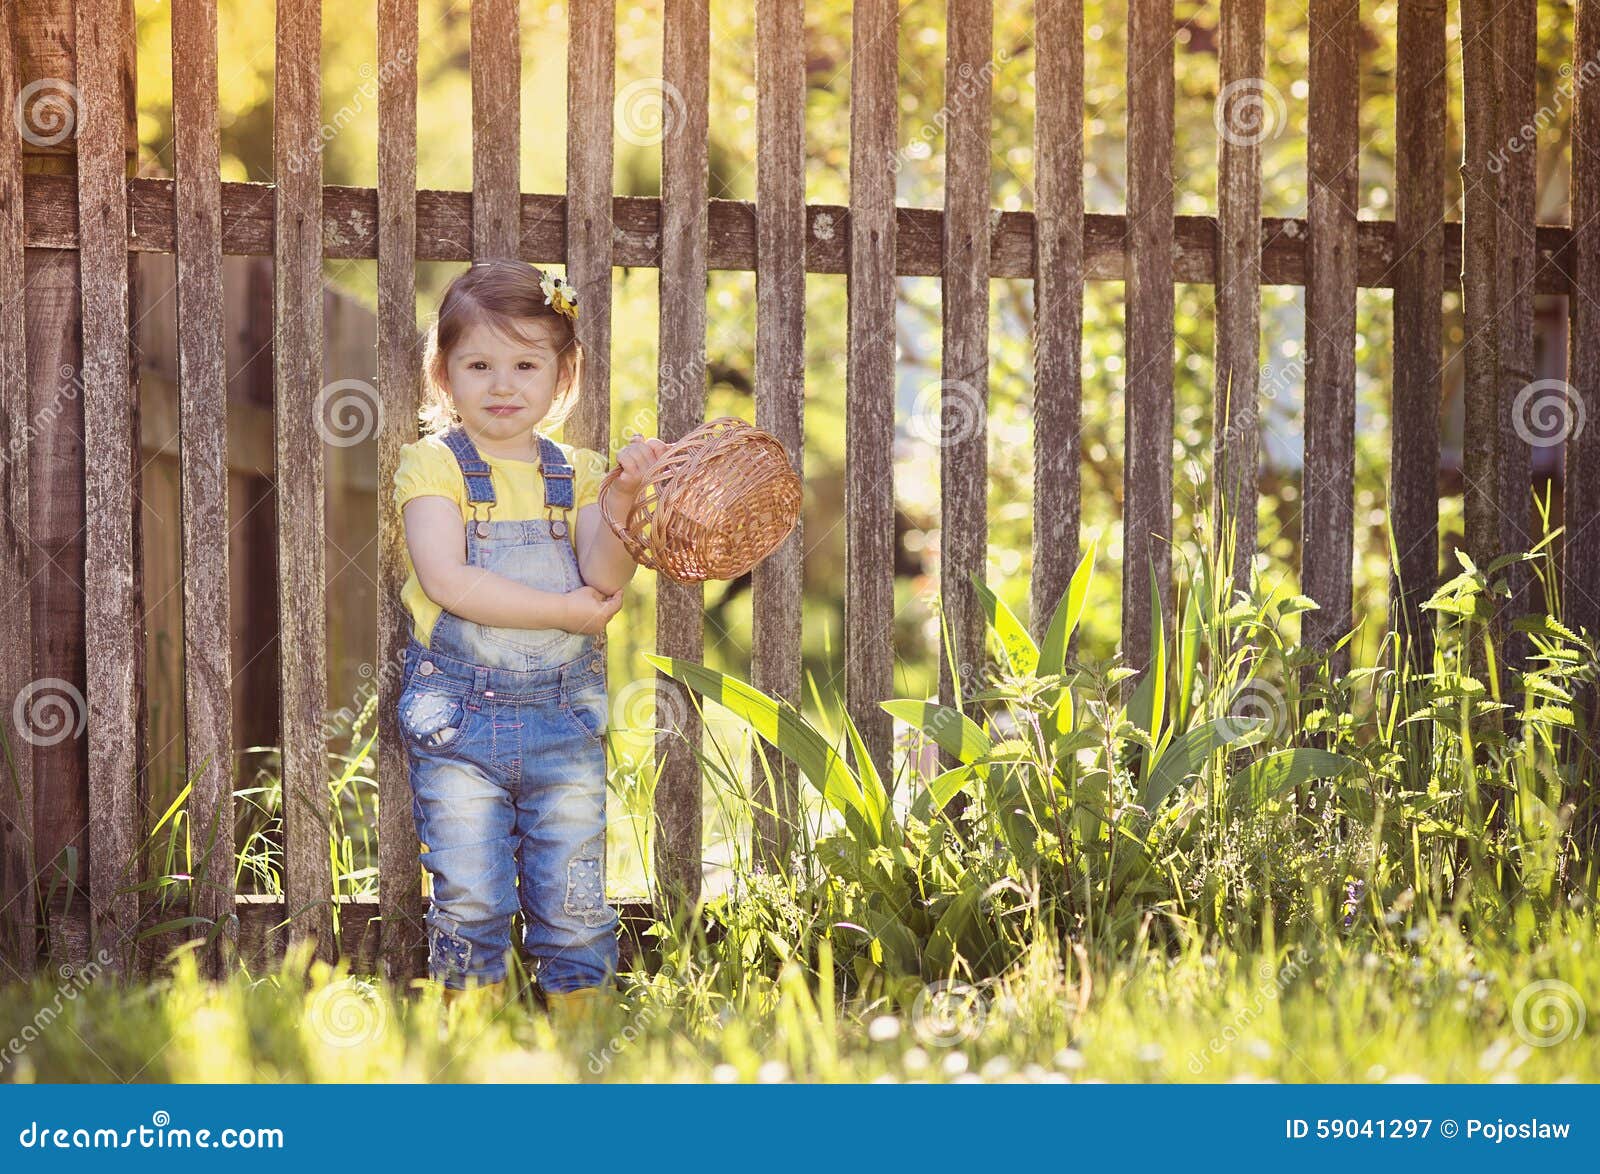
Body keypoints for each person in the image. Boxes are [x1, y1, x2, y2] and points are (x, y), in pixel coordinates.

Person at [392, 257, 666, 1026]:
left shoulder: (577, 472)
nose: (503, 384)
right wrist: (566, 612)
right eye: (479, 364)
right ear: (444, 376)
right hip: (459, 723)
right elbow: (448, 580)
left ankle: (581, 1024)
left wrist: (625, 498)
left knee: (575, 887)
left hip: (563, 722)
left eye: (525, 363)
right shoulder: (432, 465)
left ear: (562, 374)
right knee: (471, 887)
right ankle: (469, 1027)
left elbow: (604, 574)